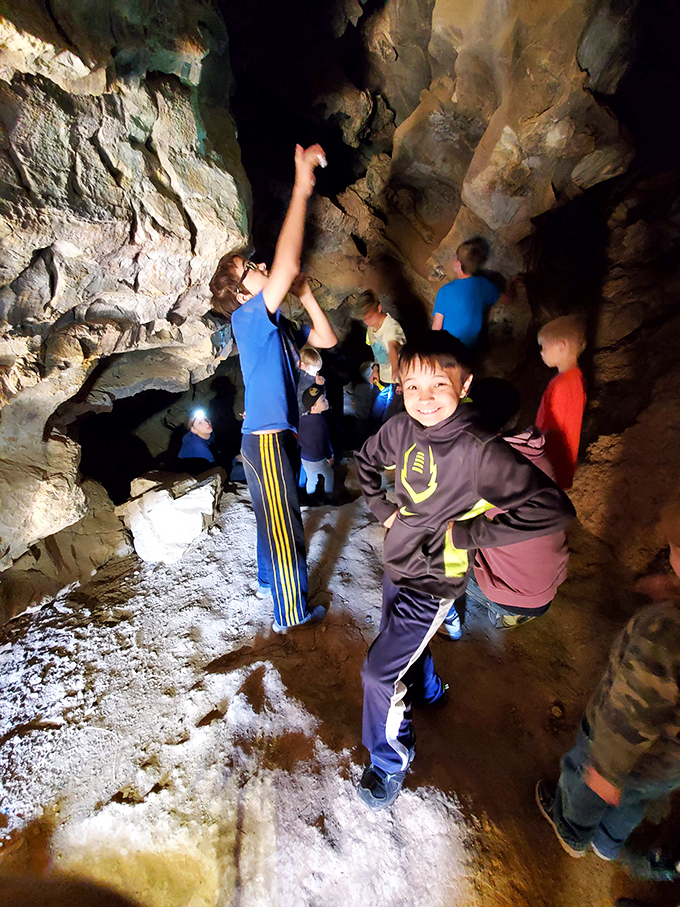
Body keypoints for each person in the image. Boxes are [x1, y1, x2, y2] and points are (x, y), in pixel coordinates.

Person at [354, 332, 575, 809]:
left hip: (434, 579)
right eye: (412, 387)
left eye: (438, 384)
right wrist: (384, 512)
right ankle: (430, 692)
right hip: (398, 560)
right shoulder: (401, 428)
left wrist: (469, 534)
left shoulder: (479, 450)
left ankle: (390, 759)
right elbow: (367, 460)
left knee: (377, 673)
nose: (424, 398)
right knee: (399, 641)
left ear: (465, 383)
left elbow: (551, 509)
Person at [209, 143, 337, 633]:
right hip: (265, 439)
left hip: (267, 438)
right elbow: (283, 268)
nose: (261, 267)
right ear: (242, 292)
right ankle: (292, 614)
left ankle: (268, 584)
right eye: (252, 268)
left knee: (272, 519)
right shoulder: (247, 318)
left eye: (256, 262)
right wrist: (302, 184)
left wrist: (305, 294)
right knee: (286, 523)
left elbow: (324, 339)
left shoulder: (276, 328)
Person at [536, 497, 680, 868]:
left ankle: (573, 831)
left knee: (584, 784)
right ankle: (608, 844)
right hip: (668, 767)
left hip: (624, 757)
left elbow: (633, 712)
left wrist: (607, 768)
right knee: (633, 802)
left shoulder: (663, 633)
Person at [438, 378, 569, 637]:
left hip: (517, 595)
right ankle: (510, 610)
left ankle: (457, 619)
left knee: (437, 542)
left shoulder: (482, 470)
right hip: (549, 583)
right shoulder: (534, 451)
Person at [535, 314, 587, 490]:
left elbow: (554, 430)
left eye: (544, 347)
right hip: (562, 464)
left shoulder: (561, 385)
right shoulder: (577, 378)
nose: (541, 353)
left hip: (550, 466)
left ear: (561, 347)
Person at [431, 237, 503, 348]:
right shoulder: (483, 285)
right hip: (470, 346)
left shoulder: (445, 291)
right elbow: (507, 299)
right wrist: (510, 284)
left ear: (458, 264)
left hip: (448, 348)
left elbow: (436, 328)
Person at [352, 290, 406, 424]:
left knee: (390, 420)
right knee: (375, 415)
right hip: (382, 378)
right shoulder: (370, 329)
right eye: (364, 318)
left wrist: (395, 370)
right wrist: (375, 369)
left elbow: (392, 347)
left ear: (379, 308)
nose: (367, 321)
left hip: (397, 382)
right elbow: (377, 352)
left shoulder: (392, 328)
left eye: (369, 316)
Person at [298, 384, 334, 498]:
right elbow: (323, 442)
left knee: (312, 477)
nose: (326, 401)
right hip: (316, 458)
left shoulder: (302, 419)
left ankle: (310, 497)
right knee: (329, 474)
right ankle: (329, 496)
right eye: (323, 400)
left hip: (304, 457)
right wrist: (329, 457)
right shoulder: (321, 422)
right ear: (314, 407)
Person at [176, 409, 216, 474]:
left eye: (206, 419)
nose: (207, 423)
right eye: (200, 423)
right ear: (193, 430)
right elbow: (215, 469)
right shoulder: (199, 447)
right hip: (194, 470)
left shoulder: (206, 431)